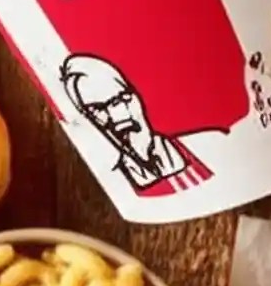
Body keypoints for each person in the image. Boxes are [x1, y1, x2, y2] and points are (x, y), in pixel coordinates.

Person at [60, 53, 209, 195]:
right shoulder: (110, 181)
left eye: (118, 100)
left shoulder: (203, 146)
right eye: (97, 110)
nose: (114, 117)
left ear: (135, 98)